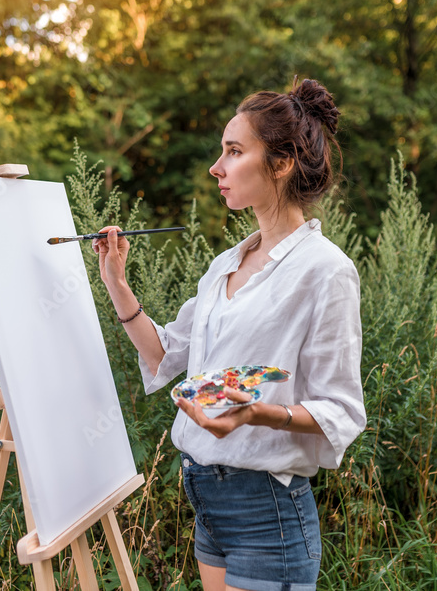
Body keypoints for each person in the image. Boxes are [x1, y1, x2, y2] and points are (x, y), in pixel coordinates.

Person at [93, 77, 365, 591]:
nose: (216, 167)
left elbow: (342, 409)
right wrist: (117, 282)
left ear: (281, 163)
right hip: (206, 497)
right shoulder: (226, 264)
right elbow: (167, 354)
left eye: (234, 151)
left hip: (267, 511)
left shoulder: (325, 270)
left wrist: (256, 414)